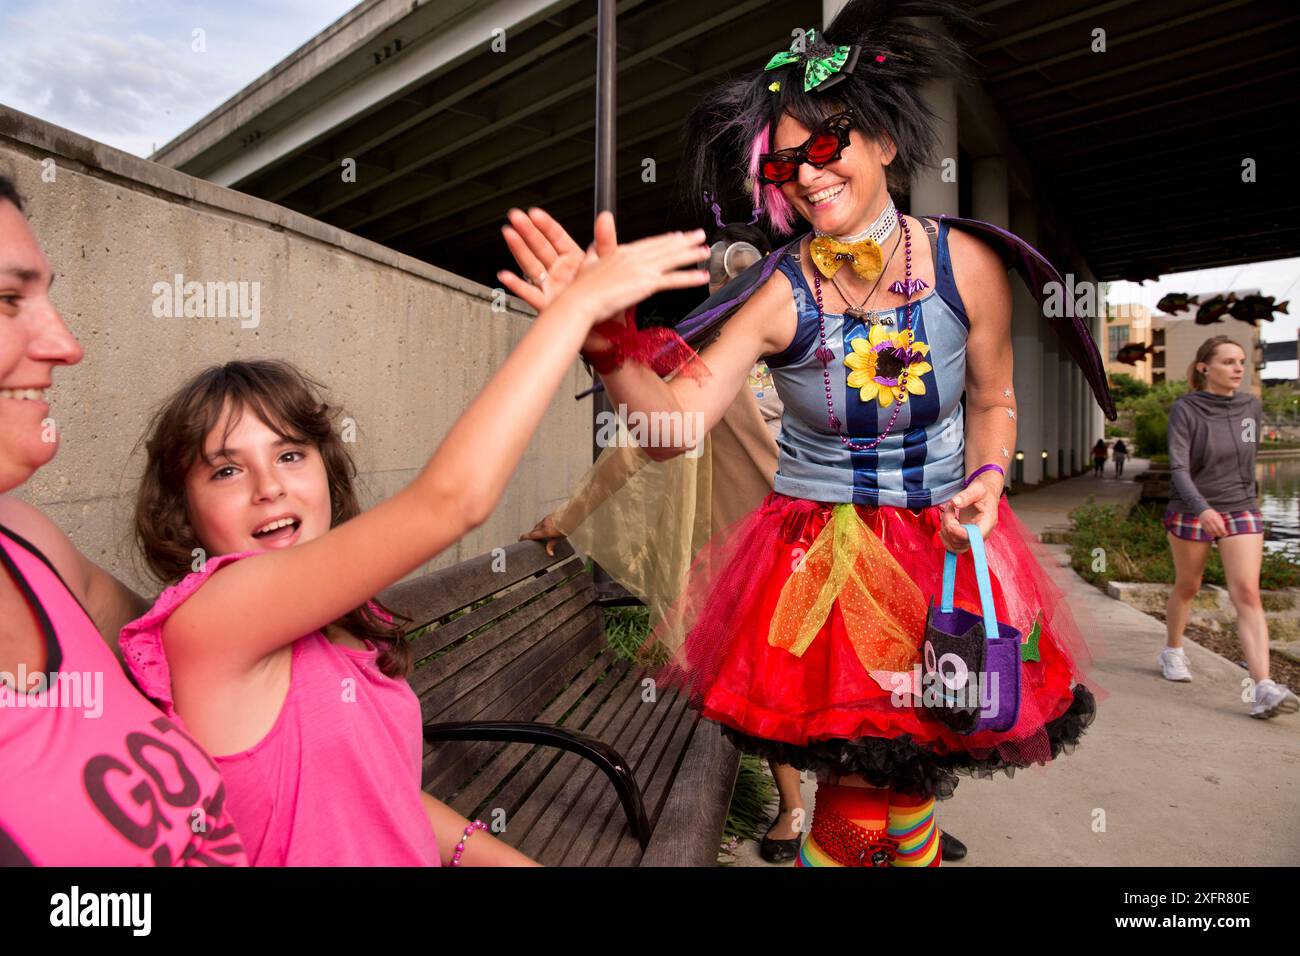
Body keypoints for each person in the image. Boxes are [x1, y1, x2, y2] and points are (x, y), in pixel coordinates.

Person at [498, 0, 1104, 867]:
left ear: (884, 144)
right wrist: (605, 343)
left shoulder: (966, 263)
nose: (806, 177)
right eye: (784, 165)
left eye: (827, 146)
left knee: (910, 777)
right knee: (855, 792)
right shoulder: (778, 291)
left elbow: (994, 399)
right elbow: (672, 428)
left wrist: (988, 477)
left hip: (944, 551)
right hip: (823, 569)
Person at [114, 228, 711, 865]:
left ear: (326, 470)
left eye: (290, 455)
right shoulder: (210, 617)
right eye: (227, 470)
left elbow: (383, 795)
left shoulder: (338, 620)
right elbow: (451, 501)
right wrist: (574, 312)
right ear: (181, 509)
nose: (269, 487)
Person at [506, 209, 971, 863]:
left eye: (754, 275)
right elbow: (643, 446)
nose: (747, 289)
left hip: (872, 537)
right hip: (773, 548)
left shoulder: (832, 331)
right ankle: (799, 806)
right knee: (788, 688)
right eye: (732, 280)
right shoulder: (709, 361)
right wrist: (570, 515)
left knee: (888, 687)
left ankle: (905, 808)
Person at [0, 173, 249, 865]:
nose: (66, 344)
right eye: (6, 299)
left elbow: (188, 643)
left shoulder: (30, 544)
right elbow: (447, 504)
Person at [1160, 336, 1298, 718]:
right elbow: (1179, 468)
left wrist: (1248, 502)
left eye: (1241, 361)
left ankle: (1263, 688)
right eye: (1228, 362)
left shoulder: (1250, 405)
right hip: (1191, 508)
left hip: (1240, 507)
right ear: (1205, 368)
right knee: (1188, 586)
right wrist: (1203, 509)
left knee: (1248, 594)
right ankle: (1172, 650)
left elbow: (1247, 456)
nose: (1238, 368)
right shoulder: (1186, 409)